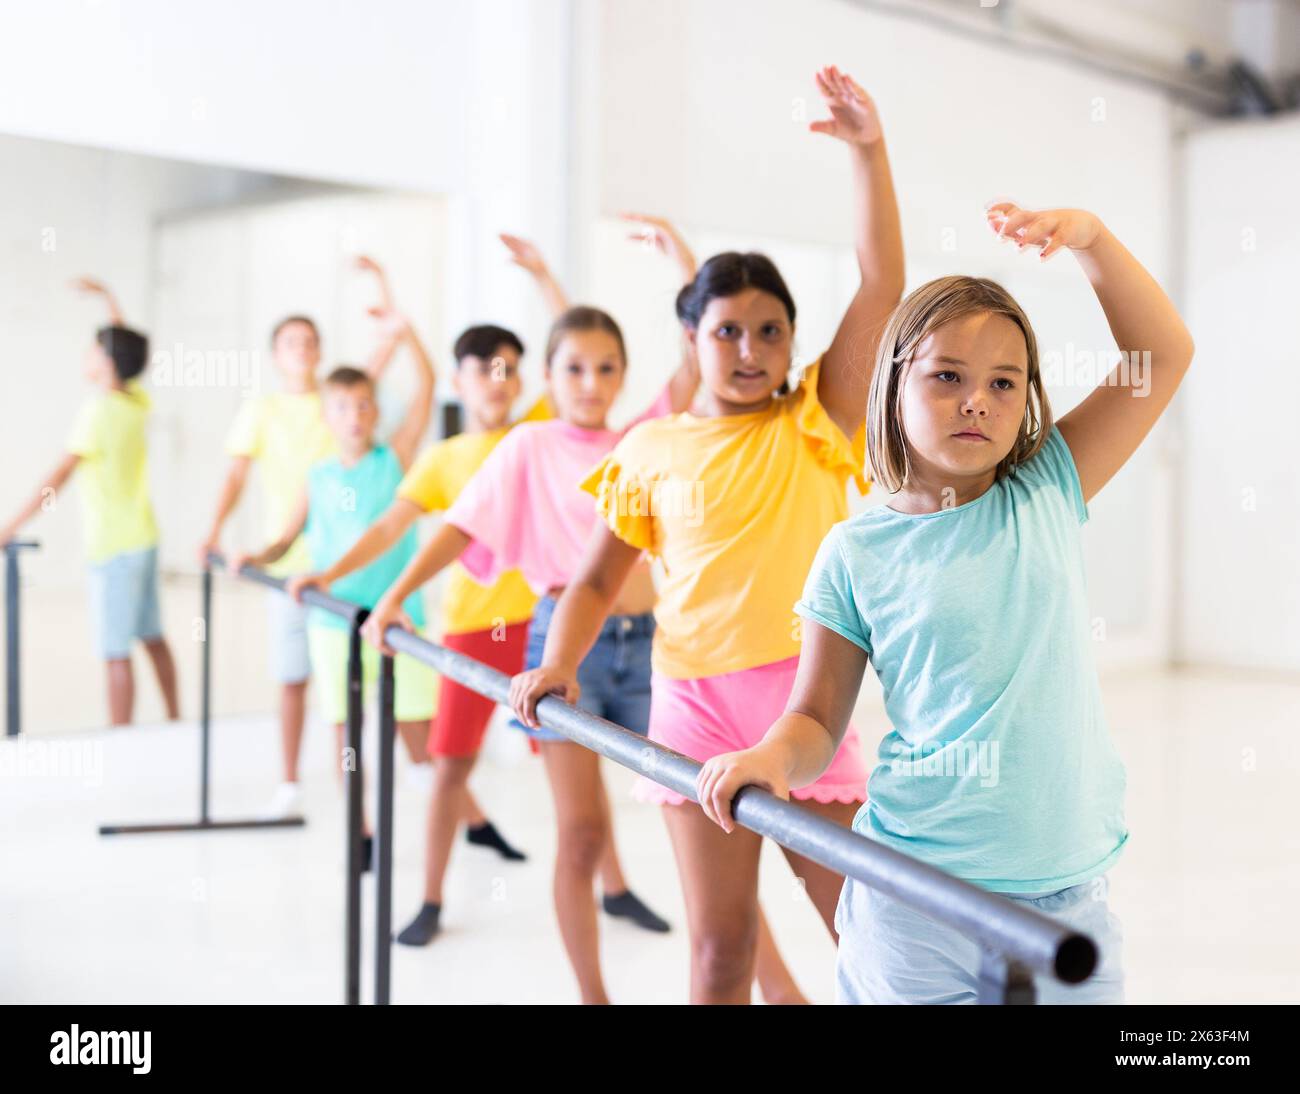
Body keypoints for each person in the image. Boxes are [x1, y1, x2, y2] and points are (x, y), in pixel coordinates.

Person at [696, 201, 1195, 1004]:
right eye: (948, 377)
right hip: (913, 898)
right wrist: (769, 759)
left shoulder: (1047, 486)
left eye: (1005, 383)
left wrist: (1093, 242)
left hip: (1064, 902)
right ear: (894, 383)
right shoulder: (854, 553)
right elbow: (818, 722)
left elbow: (1162, 353)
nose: (978, 401)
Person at [509, 66, 904, 1004]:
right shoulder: (652, 446)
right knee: (720, 953)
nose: (751, 350)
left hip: (804, 702)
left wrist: (868, 150)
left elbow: (884, 281)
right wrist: (559, 665)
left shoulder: (818, 416)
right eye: (728, 331)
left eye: (772, 332)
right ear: (692, 337)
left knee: (870, 933)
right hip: (689, 710)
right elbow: (596, 581)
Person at [228, 305, 441, 868]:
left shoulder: (394, 458)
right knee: (346, 729)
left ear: (374, 412)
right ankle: (361, 830)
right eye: (342, 406)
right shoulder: (317, 476)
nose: (354, 415)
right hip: (333, 620)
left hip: (396, 616)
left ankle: (456, 815)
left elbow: (427, 386)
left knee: (417, 728)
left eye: (364, 405)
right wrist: (257, 555)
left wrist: (407, 332)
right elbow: (286, 538)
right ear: (327, 415)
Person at [199, 257, 403, 818]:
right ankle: (288, 783)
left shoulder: (340, 400)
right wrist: (216, 531)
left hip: (351, 567)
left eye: (310, 340)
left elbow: (389, 342)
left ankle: (368, 805)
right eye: (291, 341)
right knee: (293, 676)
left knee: (355, 690)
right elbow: (237, 472)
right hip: (291, 564)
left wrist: (378, 282)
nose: (303, 348)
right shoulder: (261, 409)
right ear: (276, 354)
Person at [1, 277, 179, 726]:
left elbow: (58, 476)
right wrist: (108, 300)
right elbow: (126, 350)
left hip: (113, 548)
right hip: (144, 539)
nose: (87, 356)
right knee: (153, 636)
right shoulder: (135, 401)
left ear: (108, 364)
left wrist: (11, 526)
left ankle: (120, 735)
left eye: (94, 350)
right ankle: (177, 719)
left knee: (115, 650)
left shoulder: (97, 412)